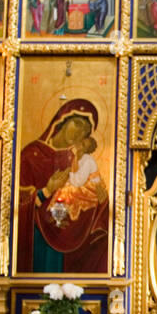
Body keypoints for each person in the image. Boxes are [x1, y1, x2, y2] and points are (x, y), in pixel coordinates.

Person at [17, 99, 109, 273]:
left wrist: (100, 199)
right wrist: (47, 190)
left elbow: (92, 193)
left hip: (68, 236)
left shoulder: (77, 159)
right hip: (39, 238)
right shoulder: (31, 154)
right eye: (77, 124)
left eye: (85, 131)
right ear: (63, 120)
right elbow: (16, 207)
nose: (79, 133)